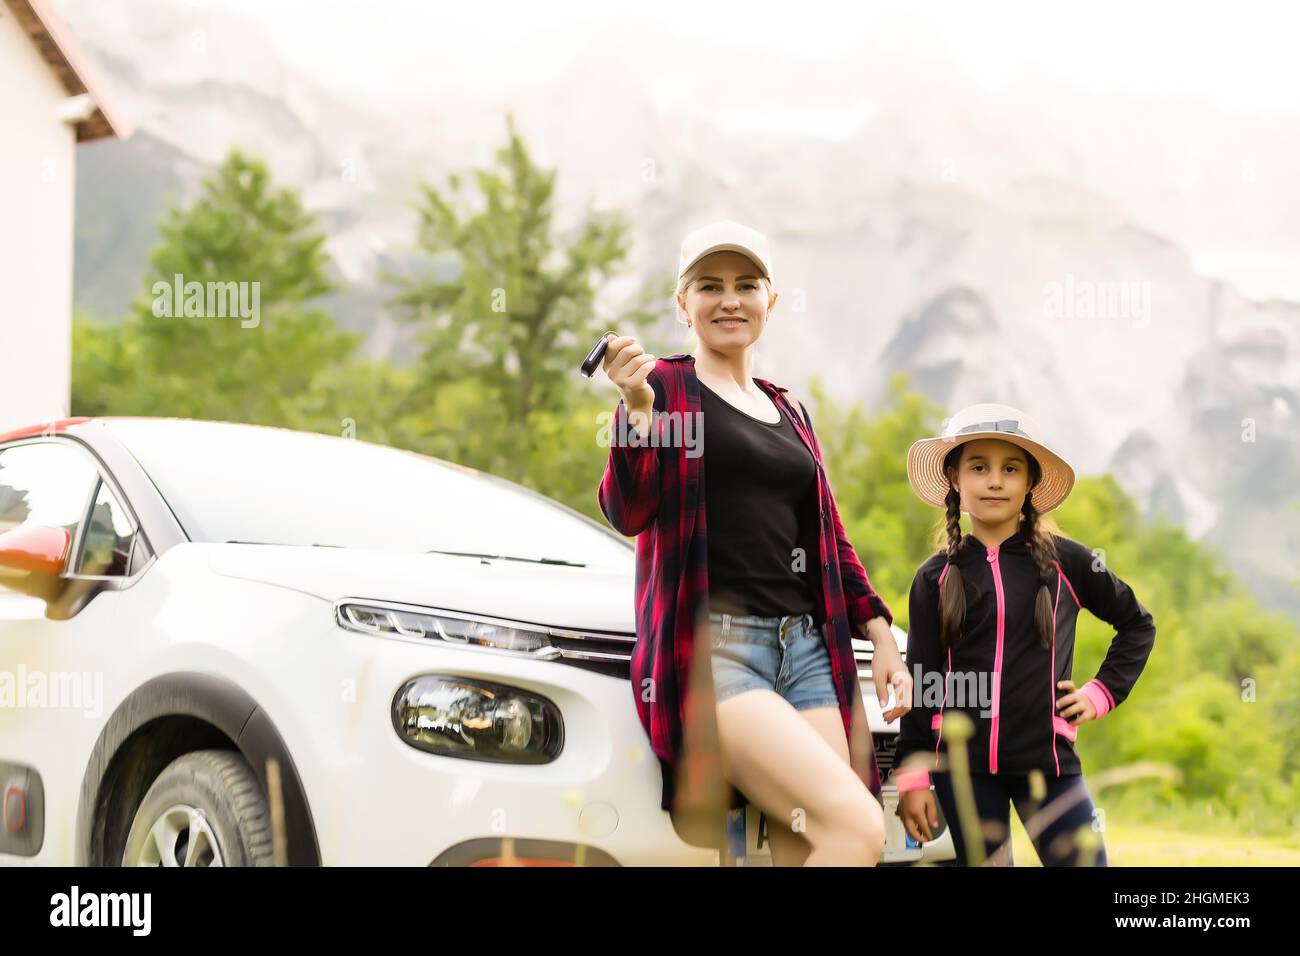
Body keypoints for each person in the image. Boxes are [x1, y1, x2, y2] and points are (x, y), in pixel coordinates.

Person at [596, 220, 911, 866]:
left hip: (808, 655)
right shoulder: (667, 390)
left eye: (747, 285)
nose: (729, 299)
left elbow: (829, 540)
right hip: (721, 656)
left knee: (813, 843)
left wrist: (880, 634)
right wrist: (635, 409)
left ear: (772, 301)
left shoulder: (790, 409)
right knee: (858, 830)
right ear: (683, 305)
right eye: (708, 285)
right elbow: (627, 510)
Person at [893, 404, 1156, 865]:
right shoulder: (932, 578)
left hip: (1048, 764)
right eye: (979, 467)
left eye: (1010, 469)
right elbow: (924, 682)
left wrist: (1100, 693)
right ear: (955, 478)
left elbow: (1137, 623)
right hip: (962, 772)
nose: (995, 481)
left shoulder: (1069, 562)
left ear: (1029, 482)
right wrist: (913, 777)